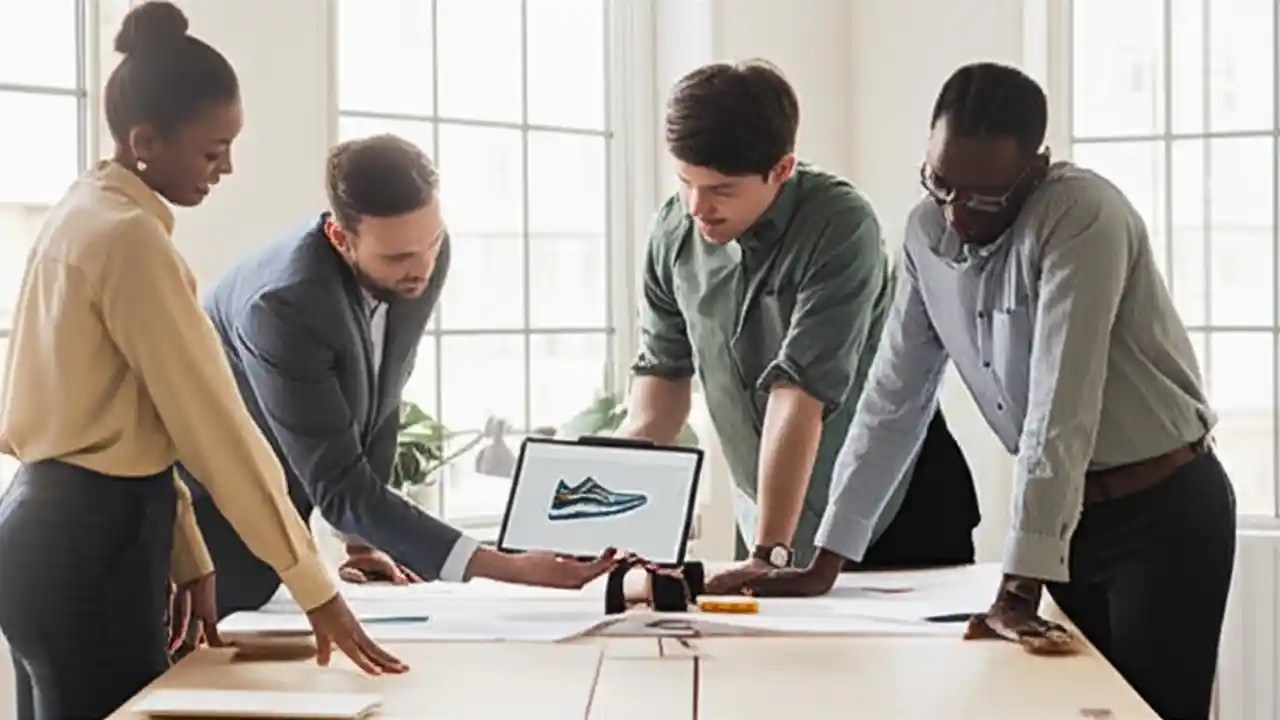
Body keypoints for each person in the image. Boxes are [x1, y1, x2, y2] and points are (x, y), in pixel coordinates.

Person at [720, 62, 1235, 720]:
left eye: (984, 197)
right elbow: (891, 400)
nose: (958, 213)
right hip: (1077, 522)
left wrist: (1019, 583)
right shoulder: (925, 232)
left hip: (1164, 513)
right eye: (941, 183)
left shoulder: (1083, 216)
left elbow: (1061, 403)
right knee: (1081, 711)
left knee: (1151, 713)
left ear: (1036, 169)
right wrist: (826, 558)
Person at [0, 3, 405, 719]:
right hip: (93, 547)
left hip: (41, 535)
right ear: (146, 140)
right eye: (213, 151)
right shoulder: (132, 243)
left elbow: (138, 417)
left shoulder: (80, 211)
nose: (226, 169)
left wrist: (189, 550)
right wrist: (316, 589)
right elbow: (215, 430)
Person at [183, 133, 618, 619]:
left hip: (276, 532)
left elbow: (381, 395)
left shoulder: (423, 256)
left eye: (430, 243)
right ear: (340, 239)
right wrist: (508, 566)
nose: (422, 269)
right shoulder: (283, 307)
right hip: (203, 543)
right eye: (396, 258)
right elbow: (341, 486)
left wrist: (362, 540)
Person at [619, 59, 980, 584]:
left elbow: (799, 395)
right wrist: (594, 505)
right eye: (685, 182)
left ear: (782, 169)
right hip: (770, 518)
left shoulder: (839, 224)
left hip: (890, 517)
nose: (698, 206)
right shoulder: (673, 232)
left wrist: (770, 553)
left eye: (721, 190)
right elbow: (660, 388)